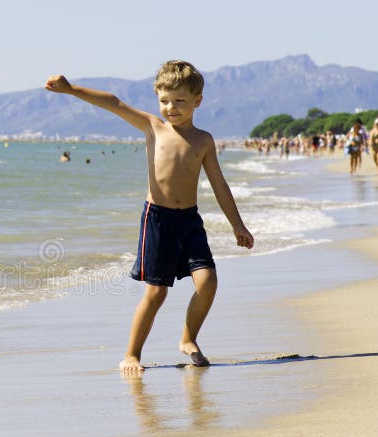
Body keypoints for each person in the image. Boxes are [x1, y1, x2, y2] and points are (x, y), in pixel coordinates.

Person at [45, 60, 254, 374]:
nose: (171, 107)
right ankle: (132, 354)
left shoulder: (203, 141)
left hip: (190, 221)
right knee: (156, 292)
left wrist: (237, 224)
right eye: (164, 100)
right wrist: (71, 89)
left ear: (197, 101)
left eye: (180, 101)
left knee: (208, 281)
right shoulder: (153, 128)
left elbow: (219, 185)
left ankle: (188, 338)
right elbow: (113, 103)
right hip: (157, 220)